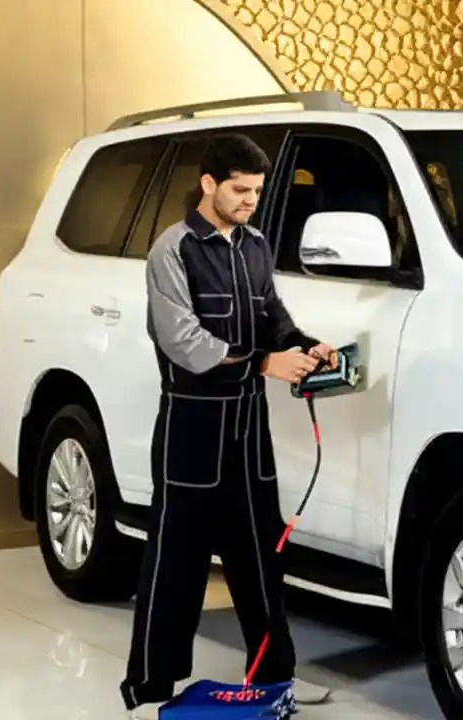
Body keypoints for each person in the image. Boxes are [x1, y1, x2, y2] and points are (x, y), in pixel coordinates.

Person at [120, 133, 334, 717]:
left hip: (247, 435)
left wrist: (309, 347)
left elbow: (273, 317)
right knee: (175, 563)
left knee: (262, 559)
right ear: (209, 184)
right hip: (192, 430)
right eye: (240, 190)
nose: (250, 202)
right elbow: (186, 344)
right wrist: (267, 363)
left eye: (258, 192)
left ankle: (274, 682)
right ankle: (151, 687)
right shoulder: (173, 249)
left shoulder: (256, 245)